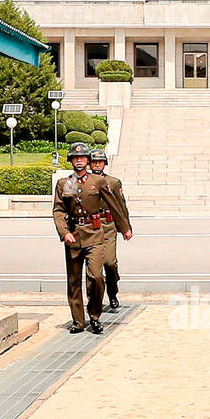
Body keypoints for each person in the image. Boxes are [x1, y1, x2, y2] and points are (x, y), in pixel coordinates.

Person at [52, 142, 132, 334]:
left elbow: (115, 204)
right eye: (75, 157)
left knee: (96, 277)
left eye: (82, 157)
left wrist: (124, 227)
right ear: (71, 160)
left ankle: (94, 316)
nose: (79, 160)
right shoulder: (65, 183)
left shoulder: (98, 181)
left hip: (95, 234)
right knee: (73, 281)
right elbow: (59, 210)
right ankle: (78, 321)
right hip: (74, 236)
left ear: (88, 160)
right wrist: (65, 232)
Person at [89, 147, 130, 311]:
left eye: (100, 161)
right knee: (94, 269)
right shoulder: (84, 182)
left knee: (110, 263)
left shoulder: (113, 182)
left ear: (104, 163)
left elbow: (121, 205)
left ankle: (113, 292)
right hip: (90, 227)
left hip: (107, 225)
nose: (97, 164)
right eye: (94, 162)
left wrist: (126, 227)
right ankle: (95, 300)